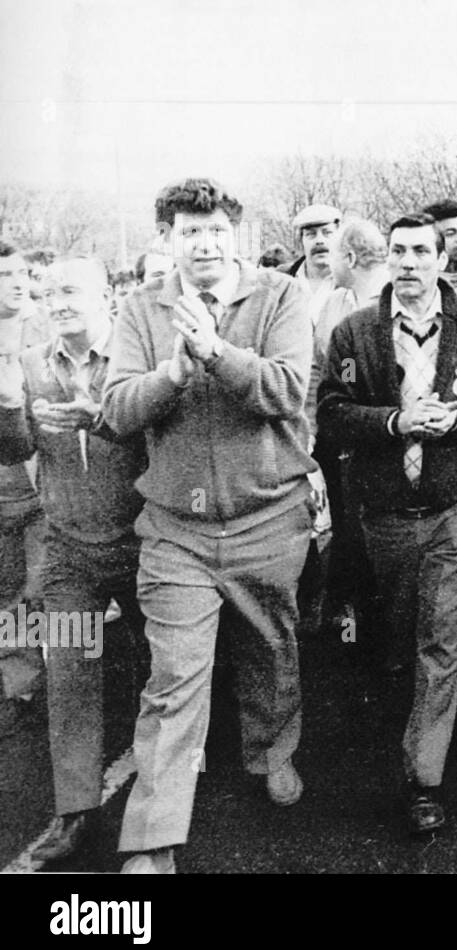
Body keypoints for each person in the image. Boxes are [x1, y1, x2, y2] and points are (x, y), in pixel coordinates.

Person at [105, 178, 319, 874]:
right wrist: (171, 373)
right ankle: (152, 839)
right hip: (176, 531)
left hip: (268, 516)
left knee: (271, 647)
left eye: (216, 231)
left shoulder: (279, 297)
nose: (204, 244)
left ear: (237, 237)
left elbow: (288, 389)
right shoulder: (141, 308)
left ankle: (271, 752)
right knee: (173, 678)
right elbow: (113, 413)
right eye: (188, 232)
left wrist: (219, 356)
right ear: (166, 239)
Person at [317, 213, 457, 835]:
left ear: (441, 258)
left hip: (456, 509)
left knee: (438, 634)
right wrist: (392, 423)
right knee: (402, 634)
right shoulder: (355, 332)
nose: (409, 262)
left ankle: (422, 778)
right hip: (384, 516)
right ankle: (407, 710)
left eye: (421, 251)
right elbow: (330, 412)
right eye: (398, 251)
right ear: (389, 258)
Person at [0, 256, 147, 863]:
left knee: (160, 664)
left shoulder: (137, 356)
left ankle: (171, 772)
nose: (57, 302)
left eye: (69, 290)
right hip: (67, 551)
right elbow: (14, 451)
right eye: (46, 293)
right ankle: (76, 809)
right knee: (69, 674)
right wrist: (9, 405)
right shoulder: (32, 362)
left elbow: (159, 434)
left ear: (104, 295)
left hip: (144, 541)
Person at [302, 217, 389, 640]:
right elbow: (317, 370)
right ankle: (350, 629)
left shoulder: (399, 299)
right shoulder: (334, 302)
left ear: (350, 257)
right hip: (337, 442)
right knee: (347, 531)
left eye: (335, 254)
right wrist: (310, 429)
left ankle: (382, 631)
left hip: (385, 442)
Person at [0, 239, 50, 733]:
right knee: (9, 593)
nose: (17, 283)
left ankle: (74, 678)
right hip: (3, 488)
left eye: (21, 273)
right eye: (4, 275)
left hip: (45, 486)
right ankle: (22, 684)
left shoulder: (46, 327)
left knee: (45, 590)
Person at [283, 203, 340, 327]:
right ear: (301, 241)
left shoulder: (350, 282)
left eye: (327, 233)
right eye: (311, 234)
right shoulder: (283, 279)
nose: (319, 241)